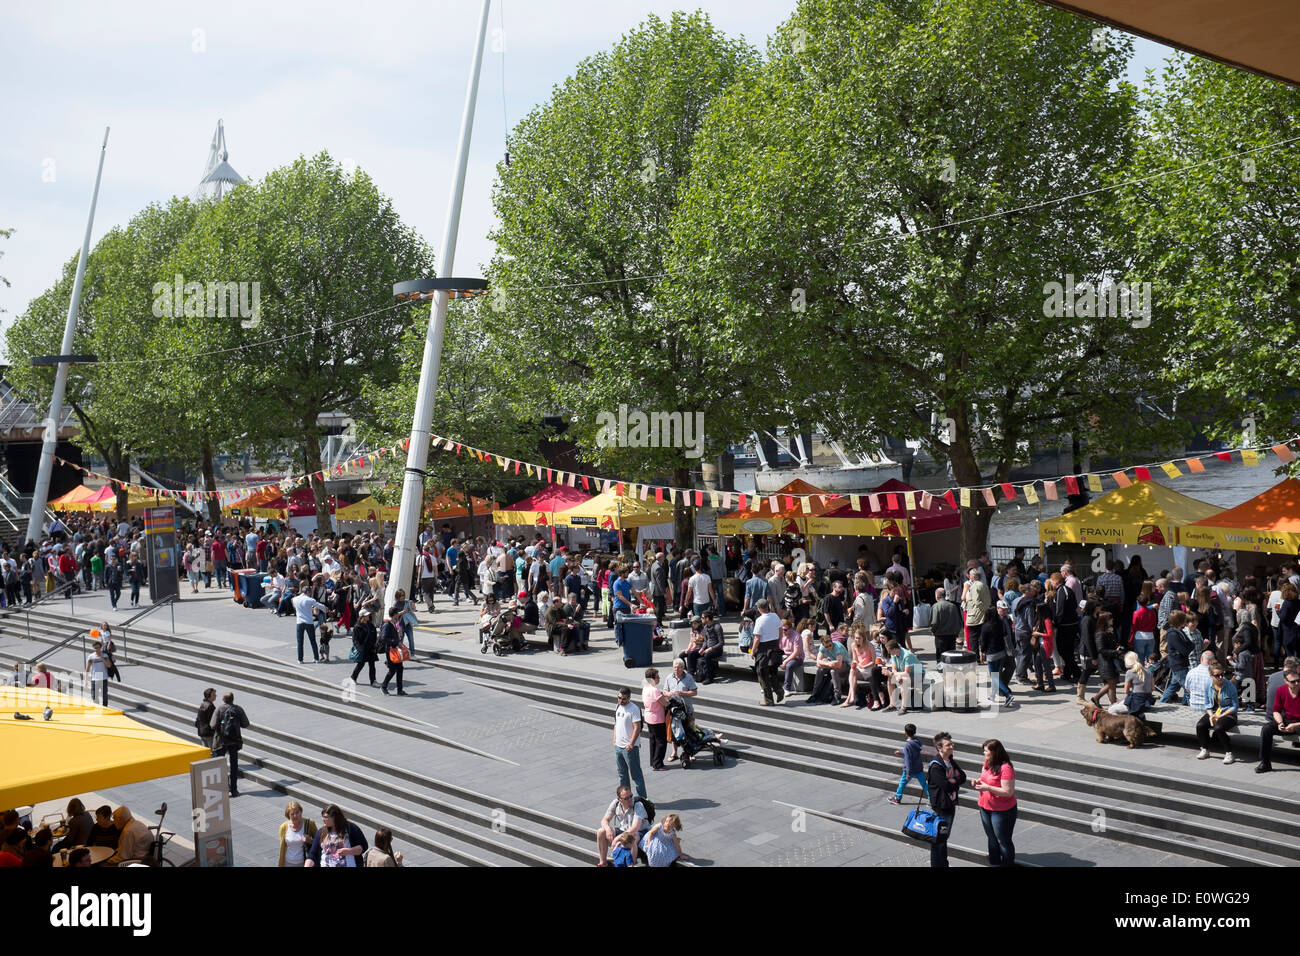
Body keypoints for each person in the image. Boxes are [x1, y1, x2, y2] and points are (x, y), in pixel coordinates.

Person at [974, 739, 1017, 866]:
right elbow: (984, 779)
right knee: (992, 839)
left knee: (1003, 840)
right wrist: (977, 782)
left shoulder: (1006, 768)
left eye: (986, 751)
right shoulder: (987, 762)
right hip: (985, 807)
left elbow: (1008, 792)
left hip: (1002, 811)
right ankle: (995, 863)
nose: (984, 753)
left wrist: (988, 787)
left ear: (994, 752)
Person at [926, 732, 966, 868]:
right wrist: (955, 780)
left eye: (951, 743)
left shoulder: (950, 760)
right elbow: (947, 786)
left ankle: (943, 864)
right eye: (948, 744)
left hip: (950, 805)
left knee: (943, 839)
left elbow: (963, 776)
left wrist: (953, 780)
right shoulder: (936, 766)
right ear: (939, 748)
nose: (952, 746)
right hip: (941, 807)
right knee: (938, 840)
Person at [1256, 661, 1300, 773]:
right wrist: (1280, 723)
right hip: (1287, 720)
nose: (1296, 683)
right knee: (1266, 729)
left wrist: (1295, 725)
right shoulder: (1281, 690)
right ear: (1286, 681)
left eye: (1298, 681)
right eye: (1293, 681)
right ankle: (1265, 763)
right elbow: (1276, 711)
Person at [1195, 664, 1239, 765]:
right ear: (1211, 676)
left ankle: (1229, 753)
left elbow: (1235, 706)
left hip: (1228, 713)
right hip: (1214, 712)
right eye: (1217, 675)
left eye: (1222, 674)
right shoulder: (1208, 685)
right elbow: (1207, 704)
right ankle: (1205, 749)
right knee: (1200, 725)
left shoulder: (1230, 686)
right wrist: (1211, 715)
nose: (1221, 677)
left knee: (1218, 728)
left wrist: (1220, 716)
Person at [595, 785, 647, 867]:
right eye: (626, 798)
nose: (630, 799)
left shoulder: (638, 805)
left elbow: (635, 828)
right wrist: (608, 829)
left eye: (631, 796)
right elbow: (604, 820)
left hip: (639, 832)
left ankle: (631, 864)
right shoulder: (616, 803)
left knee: (632, 837)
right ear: (619, 799)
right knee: (601, 831)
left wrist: (617, 839)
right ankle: (603, 863)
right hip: (624, 829)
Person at [210, 692, 250, 796]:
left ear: (223, 700)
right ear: (233, 699)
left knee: (220, 766)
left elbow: (212, 725)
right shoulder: (238, 709)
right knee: (234, 766)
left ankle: (223, 789)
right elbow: (246, 724)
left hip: (221, 741)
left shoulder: (219, 709)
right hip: (234, 741)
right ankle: (234, 790)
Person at [612, 685, 647, 800]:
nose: (621, 701)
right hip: (618, 746)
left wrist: (631, 743)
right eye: (619, 698)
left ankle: (642, 800)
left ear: (629, 698)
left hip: (629, 748)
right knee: (622, 775)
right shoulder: (618, 706)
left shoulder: (634, 709)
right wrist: (614, 738)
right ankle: (625, 798)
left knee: (636, 775)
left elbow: (637, 727)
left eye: (624, 699)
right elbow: (616, 724)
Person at [662, 659, 698, 762]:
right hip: (674, 710)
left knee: (689, 730)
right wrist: (668, 694)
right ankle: (674, 753)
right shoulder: (669, 677)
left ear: (683, 668)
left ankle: (691, 753)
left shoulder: (688, 678)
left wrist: (682, 693)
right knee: (674, 731)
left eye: (679, 667)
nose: (676, 669)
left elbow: (694, 692)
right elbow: (664, 691)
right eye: (675, 667)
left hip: (687, 709)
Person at [887, 723, 930, 804]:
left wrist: (908, 773)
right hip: (918, 768)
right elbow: (910, 752)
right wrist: (900, 751)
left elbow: (908, 759)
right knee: (924, 785)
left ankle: (897, 798)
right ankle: (932, 800)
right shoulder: (917, 741)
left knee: (902, 784)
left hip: (910, 770)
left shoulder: (907, 745)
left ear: (905, 733)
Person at [811, 629, 849, 704]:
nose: (828, 648)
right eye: (826, 647)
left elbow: (839, 664)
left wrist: (826, 663)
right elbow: (818, 662)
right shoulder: (822, 647)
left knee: (833, 671)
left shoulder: (837, 647)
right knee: (820, 670)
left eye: (830, 645)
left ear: (832, 642)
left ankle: (837, 696)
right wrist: (828, 664)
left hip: (845, 664)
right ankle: (815, 693)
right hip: (832, 663)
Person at [1113, 651, 1154, 719]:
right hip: (1147, 702)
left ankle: (1121, 725)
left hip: (1136, 703)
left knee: (1112, 709)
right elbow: (1152, 689)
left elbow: (1126, 691)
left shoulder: (1129, 672)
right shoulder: (1149, 671)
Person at [291, 582, 325, 664]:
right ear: (307, 592)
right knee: (313, 641)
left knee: (300, 642)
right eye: (310, 592)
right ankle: (316, 658)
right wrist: (325, 610)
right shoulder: (310, 600)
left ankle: (300, 659)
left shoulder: (295, 599)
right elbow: (320, 606)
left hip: (299, 622)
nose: (310, 594)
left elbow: (293, 604)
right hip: (309, 622)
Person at [643, 668, 669, 772]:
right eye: (658, 677)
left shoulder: (645, 687)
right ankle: (658, 764)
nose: (659, 678)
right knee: (661, 741)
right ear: (653, 679)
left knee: (653, 740)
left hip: (649, 717)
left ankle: (653, 761)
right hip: (657, 718)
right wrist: (668, 698)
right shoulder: (654, 690)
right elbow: (665, 703)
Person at [278, 800, 318, 867]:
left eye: (297, 812)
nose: (295, 816)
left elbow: (320, 842)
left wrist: (310, 841)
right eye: (292, 814)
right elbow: (283, 847)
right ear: (288, 815)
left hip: (305, 863)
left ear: (301, 812)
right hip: (288, 862)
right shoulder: (283, 827)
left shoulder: (309, 824)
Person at [380, 604, 408, 696]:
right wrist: (396, 642)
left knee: (400, 669)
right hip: (390, 650)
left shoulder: (393, 623)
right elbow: (383, 638)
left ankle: (400, 690)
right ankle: (384, 686)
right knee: (392, 670)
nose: (398, 615)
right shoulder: (387, 625)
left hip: (396, 650)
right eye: (397, 614)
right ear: (394, 615)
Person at [930, 587, 962, 662]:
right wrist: (956, 633)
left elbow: (934, 622)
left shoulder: (936, 606)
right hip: (952, 635)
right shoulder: (953, 606)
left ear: (937, 596)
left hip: (940, 636)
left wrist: (933, 630)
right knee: (951, 655)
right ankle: (950, 671)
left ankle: (941, 670)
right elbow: (958, 622)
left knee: (941, 656)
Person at [85, 640, 110, 706]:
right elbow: (87, 669)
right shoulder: (91, 656)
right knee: (94, 696)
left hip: (103, 678)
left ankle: (105, 709)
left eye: (98, 647)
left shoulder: (105, 655)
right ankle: (98, 708)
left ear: (100, 647)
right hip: (94, 678)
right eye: (95, 648)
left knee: (104, 696)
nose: (96, 649)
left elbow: (109, 665)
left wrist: (103, 659)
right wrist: (86, 680)